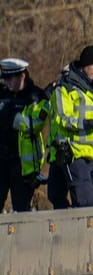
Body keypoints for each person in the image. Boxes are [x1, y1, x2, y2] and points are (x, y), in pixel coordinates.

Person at [47, 45, 93, 209]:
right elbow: (63, 119)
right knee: (85, 203)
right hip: (75, 154)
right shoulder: (64, 88)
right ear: (85, 64)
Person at [2, 57, 44, 211]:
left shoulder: (36, 97)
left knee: (21, 209)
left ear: (22, 76)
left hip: (23, 166)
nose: (6, 83)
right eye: (4, 79)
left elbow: (36, 125)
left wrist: (12, 118)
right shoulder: (2, 94)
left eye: (9, 79)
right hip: (1, 159)